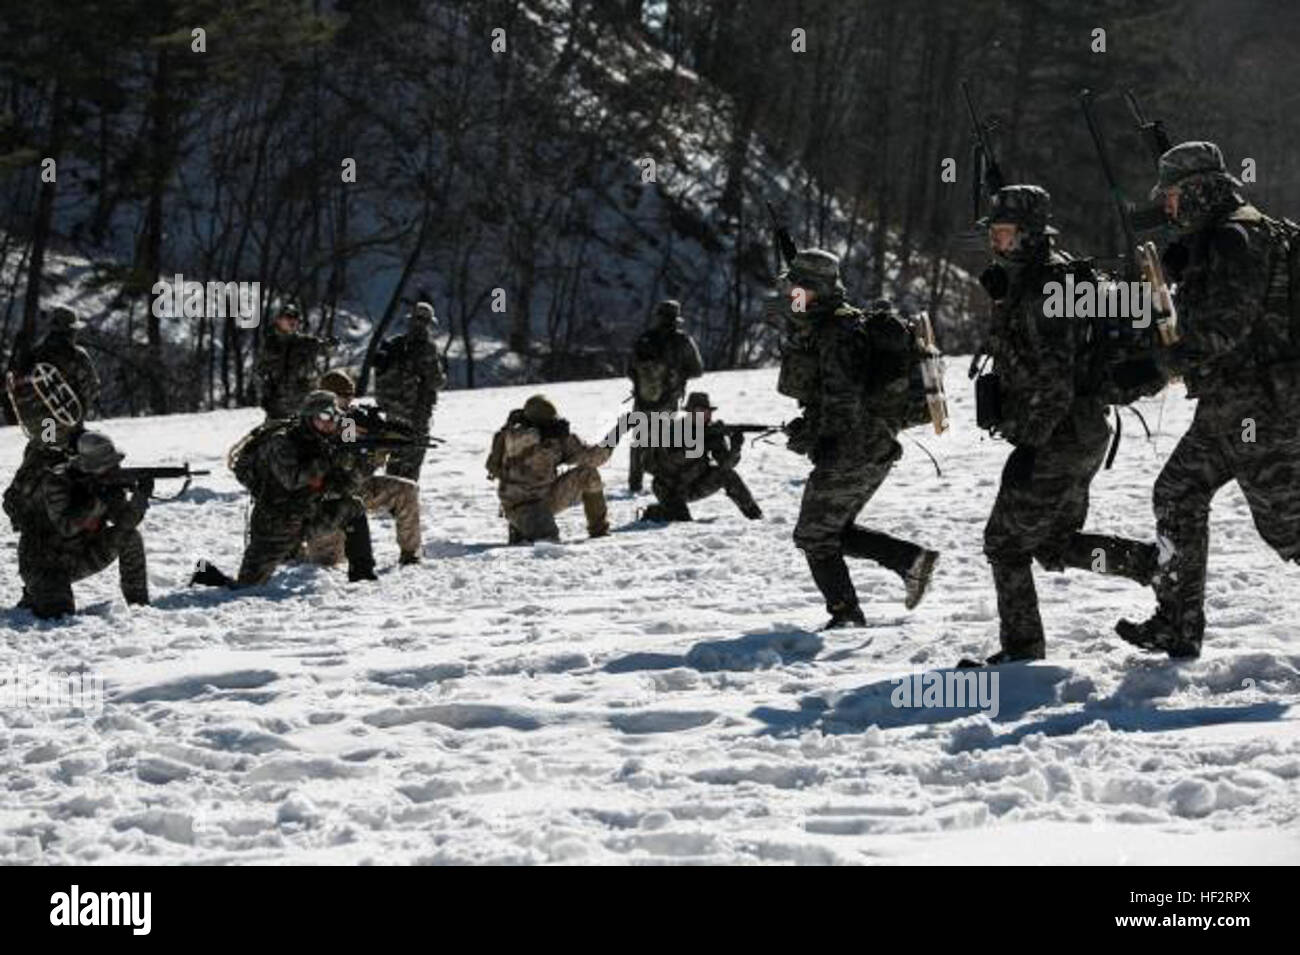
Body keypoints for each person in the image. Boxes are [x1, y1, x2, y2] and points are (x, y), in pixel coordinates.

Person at [1117, 142, 1300, 659]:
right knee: (1176, 494)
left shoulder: (1235, 238)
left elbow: (1225, 329)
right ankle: (1177, 622)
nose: (1167, 209)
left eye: (1172, 197)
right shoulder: (1221, 236)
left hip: (1261, 409)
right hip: (1231, 405)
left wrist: (1156, 364)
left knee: (1288, 529)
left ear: (1197, 191)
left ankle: (1178, 621)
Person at [968, 185, 1160, 665]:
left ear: (1031, 236)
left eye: (1006, 235)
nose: (998, 244)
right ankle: (1150, 565)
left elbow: (1053, 380)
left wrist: (1030, 443)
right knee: (1054, 544)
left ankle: (1022, 649)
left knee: (1005, 543)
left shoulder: (1044, 291)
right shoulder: (1050, 277)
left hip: (1058, 435)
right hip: (1083, 432)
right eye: (994, 234)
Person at [778, 249, 940, 629]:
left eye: (797, 289)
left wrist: (817, 438)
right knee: (833, 530)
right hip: (870, 444)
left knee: (814, 536)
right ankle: (910, 560)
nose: (791, 296)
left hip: (854, 446)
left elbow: (843, 399)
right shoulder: (831, 324)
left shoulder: (837, 332)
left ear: (816, 290)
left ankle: (846, 614)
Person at [191, 391, 377, 588]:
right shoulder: (283, 442)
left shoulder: (326, 443)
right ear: (308, 417)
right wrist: (330, 458)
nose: (329, 423)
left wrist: (360, 462)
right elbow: (293, 479)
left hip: (309, 516)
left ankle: (362, 576)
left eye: (335, 417)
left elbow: (343, 486)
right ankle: (205, 574)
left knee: (353, 507)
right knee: (247, 587)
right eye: (323, 416)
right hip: (276, 526)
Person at [9, 431, 149, 618]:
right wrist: (98, 500)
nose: (115, 469)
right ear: (90, 467)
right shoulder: (56, 481)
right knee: (59, 615)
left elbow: (125, 523)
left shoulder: (105, 484)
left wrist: (140, 498)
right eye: (108, 466)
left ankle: (139, 605)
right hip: (44, 564)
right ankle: (36, 593)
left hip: (78, 556)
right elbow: (66, 527)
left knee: (130, 537)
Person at [305, 369, 424, 566]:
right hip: (323, 503)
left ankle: (410, 555)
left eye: (350, 396)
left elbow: (356, 467)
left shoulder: (350, 421)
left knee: (406, 489)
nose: (348, 402)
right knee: (328, 565)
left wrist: (376, 448)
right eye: (343, 397)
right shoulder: (309, 424)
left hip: (354, 491)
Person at [485, 394, 612, 543]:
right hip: (520, 504)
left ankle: (599, 532)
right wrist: (546, 434)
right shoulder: (513, 434)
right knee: (547, 541)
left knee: (588, 474)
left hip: (546, 495)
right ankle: (519, 528)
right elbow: (522, 440)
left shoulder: (555, 436)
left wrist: (616, 434)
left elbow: (592, 457)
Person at [640, 391, 762, 522]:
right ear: (690, 412)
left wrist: (735, 449)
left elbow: (725, 465)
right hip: (670, 488)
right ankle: (654, 512)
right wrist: (700, 445)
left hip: (695, 484)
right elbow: (671, 461)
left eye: (708, 411)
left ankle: (754, 515)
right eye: (701, 411)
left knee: (728, 475)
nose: (706, 415)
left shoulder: (710, 432)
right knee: (682, 522)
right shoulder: (674, 431)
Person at [626, 299, 703, 492]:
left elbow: (629, 370)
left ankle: (635, 483)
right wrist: (678, 374)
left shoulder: (644, 338)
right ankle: (663, 480)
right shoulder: (683, 341)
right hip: (668, 398)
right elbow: (698, 370)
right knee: (663, 440)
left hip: (642, 399)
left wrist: (643, 383)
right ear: (676, 319)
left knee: (639, 440)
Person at [372, 301, 446, 480]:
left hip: (393, 414)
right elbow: (436, 382)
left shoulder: (394, 344)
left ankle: (390, 501)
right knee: (411, 466)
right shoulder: (426, 348)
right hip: (417, 415)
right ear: (429, 322)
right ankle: (404, 503)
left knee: (394, 461)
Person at [256, 303, 333, 420]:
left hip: (302, 406)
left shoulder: (305, 343)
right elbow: (260, 373)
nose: (292, 321)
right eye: (288, 318)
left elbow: (323, 348)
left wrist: (330, 345)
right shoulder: (269, 343)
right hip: (276, 406)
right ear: (279, 320)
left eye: (295, 319)